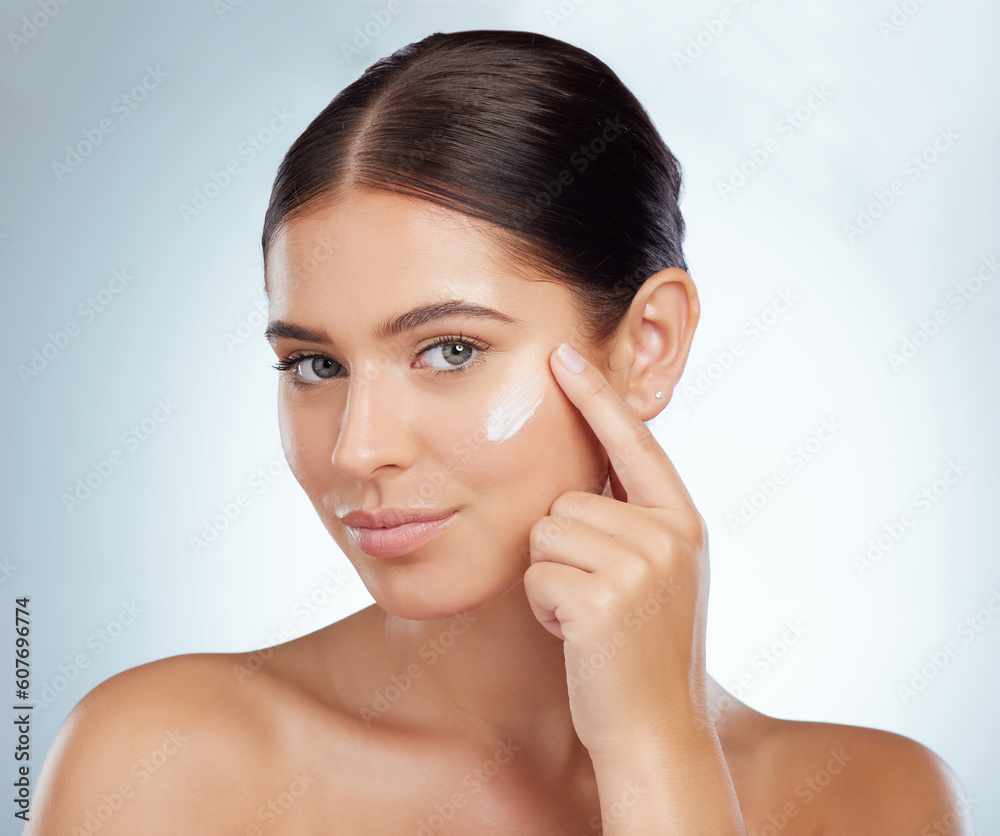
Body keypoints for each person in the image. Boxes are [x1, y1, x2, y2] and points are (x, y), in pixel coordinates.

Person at [28, 29, 974, 835]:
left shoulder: (866, 801)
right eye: (314, 366)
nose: (359, 450)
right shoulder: (163, 765)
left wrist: (656, 747)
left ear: (647, 345)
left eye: (448, 350)